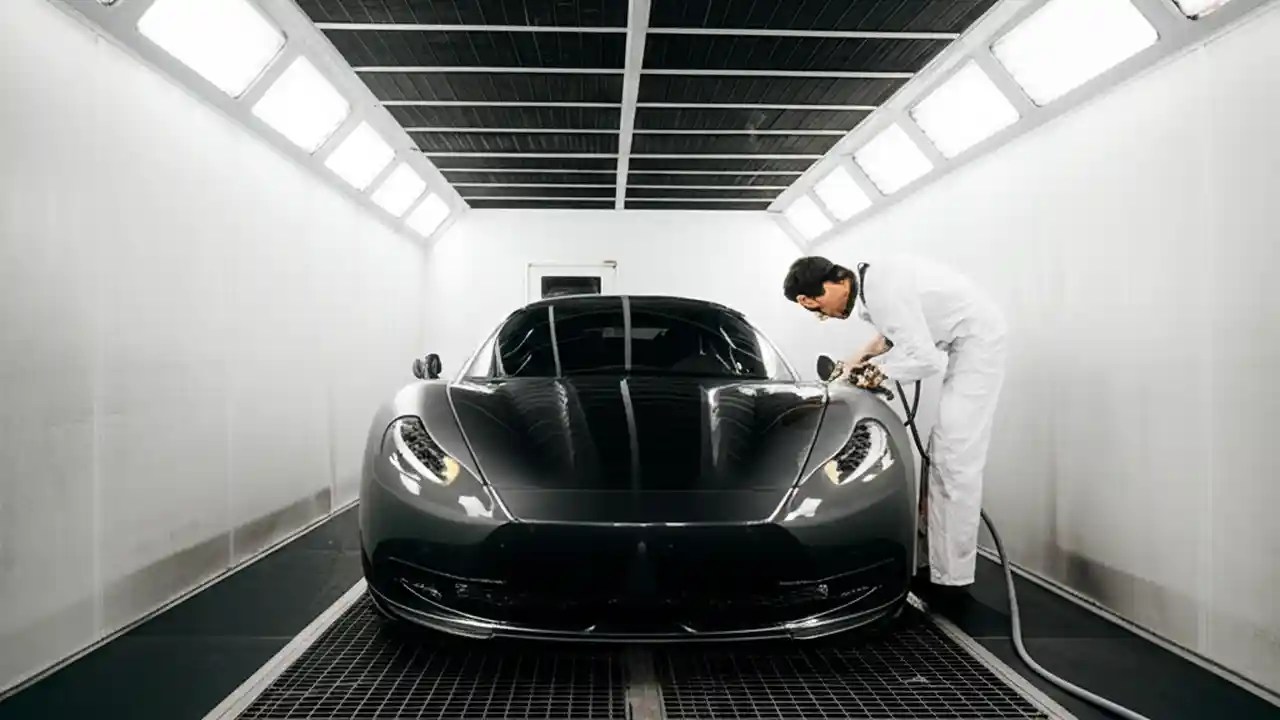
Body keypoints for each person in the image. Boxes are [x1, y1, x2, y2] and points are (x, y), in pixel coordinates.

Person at [782, 254, 1008, 604]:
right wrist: (849, 368)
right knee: (940, 457)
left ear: (836, 282)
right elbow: (883, 342)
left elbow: (926, 360)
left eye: (819, 304)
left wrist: (876, 374)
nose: (822, 314)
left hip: (978, 346)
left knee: (955, 457)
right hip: (962, 344)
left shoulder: (884, 289)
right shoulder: (875, 289)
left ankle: (953, 583)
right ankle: (934, 568)